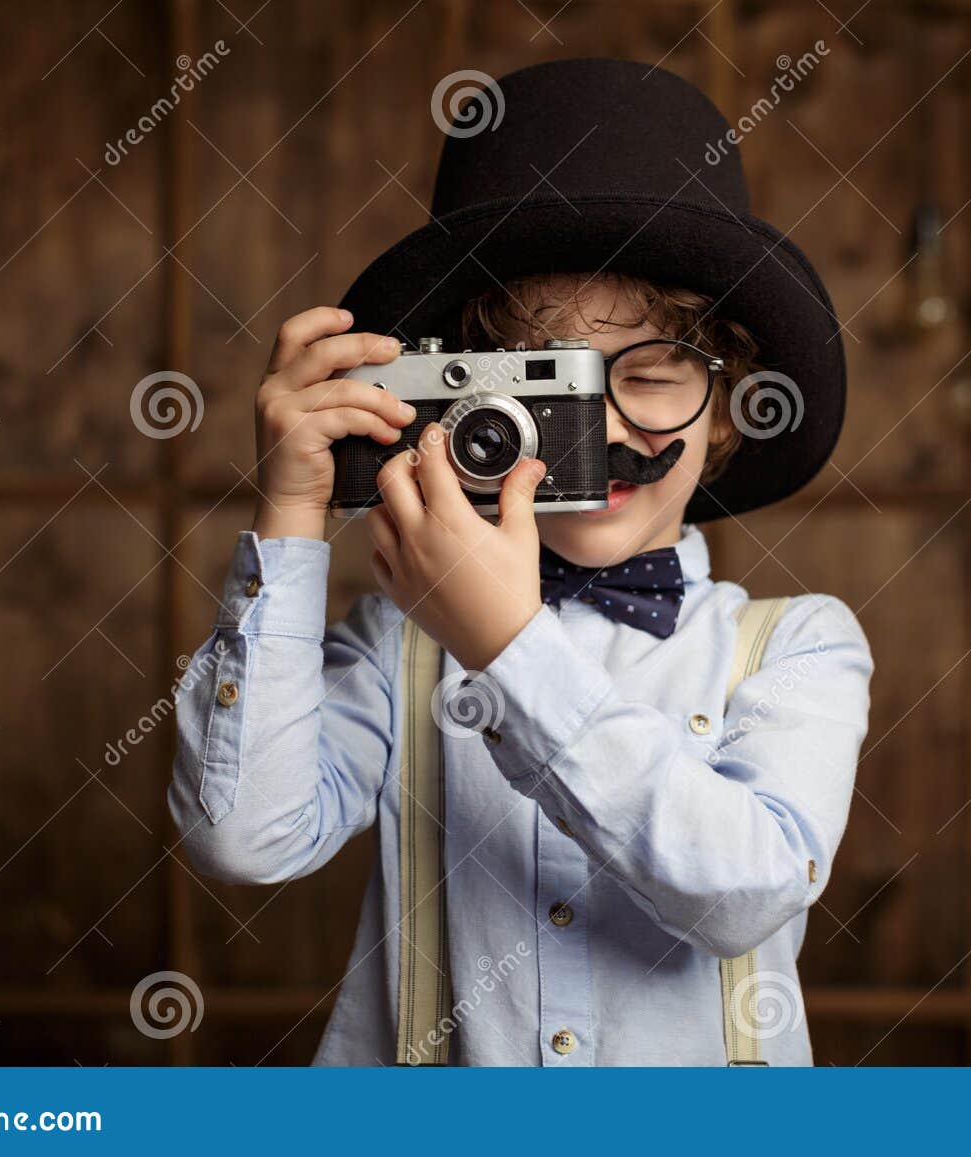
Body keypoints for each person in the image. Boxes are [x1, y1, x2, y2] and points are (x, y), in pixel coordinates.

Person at [169, 58, 873, 1066]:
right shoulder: (399, 644)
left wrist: (507, 646)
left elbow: (743, 891)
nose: (605, 430)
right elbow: (244, 835)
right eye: (546, 385)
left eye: (653, 374)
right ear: (453, 401)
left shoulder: (799, 644)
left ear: (726, 410)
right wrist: (289, 512)